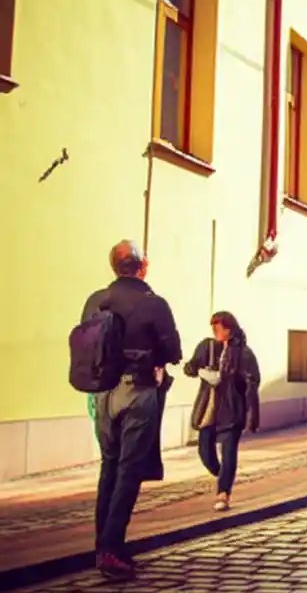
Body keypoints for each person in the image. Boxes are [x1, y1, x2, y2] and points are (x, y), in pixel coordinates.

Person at [81, 240, 183, 581]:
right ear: (143, 266)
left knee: (108, 467)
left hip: (101, 395)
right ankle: (112, 549)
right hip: (137, 390)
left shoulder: (95, 301)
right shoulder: (153, 303)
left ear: (114, 267)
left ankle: (105, 546)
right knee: (129, 470)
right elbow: (173, 350)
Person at [184, 311, 261, 512]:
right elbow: (189, 368)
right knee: (205, 452)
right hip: (209, 408)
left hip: (232, 409)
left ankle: (223, 493)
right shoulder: (208, 347)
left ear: (229, 328)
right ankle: (223, 474)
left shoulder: (243, 353)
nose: (215, 331)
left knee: (228, 453)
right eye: (213, 327)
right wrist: (198, 370)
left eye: (219, 327)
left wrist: (251, 415)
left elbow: (252, 383)